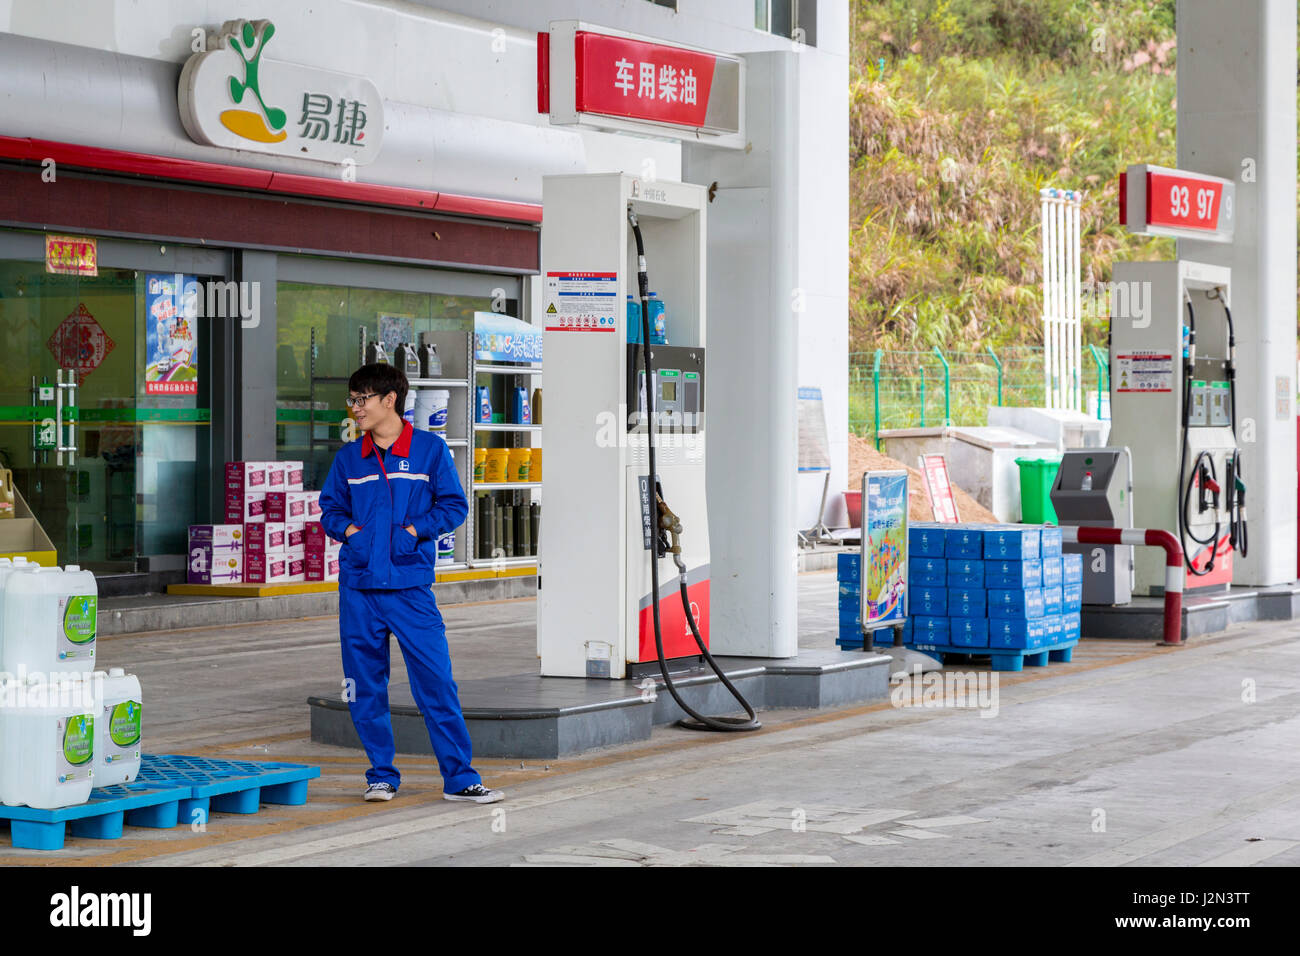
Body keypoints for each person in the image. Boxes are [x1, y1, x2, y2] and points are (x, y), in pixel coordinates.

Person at [319, 362, 503, 804]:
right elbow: (330, 510)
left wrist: (413, 532)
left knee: (436, 681)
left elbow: (454, 506)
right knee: (364, 687)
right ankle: (381, 774)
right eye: (353, 399)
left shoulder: (429, 451)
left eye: (362, 399)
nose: (355, 408)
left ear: (390, 400)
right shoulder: (349, 458)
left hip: (409, 588)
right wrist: (349, 534)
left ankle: (460, 779)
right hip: (359, 588)